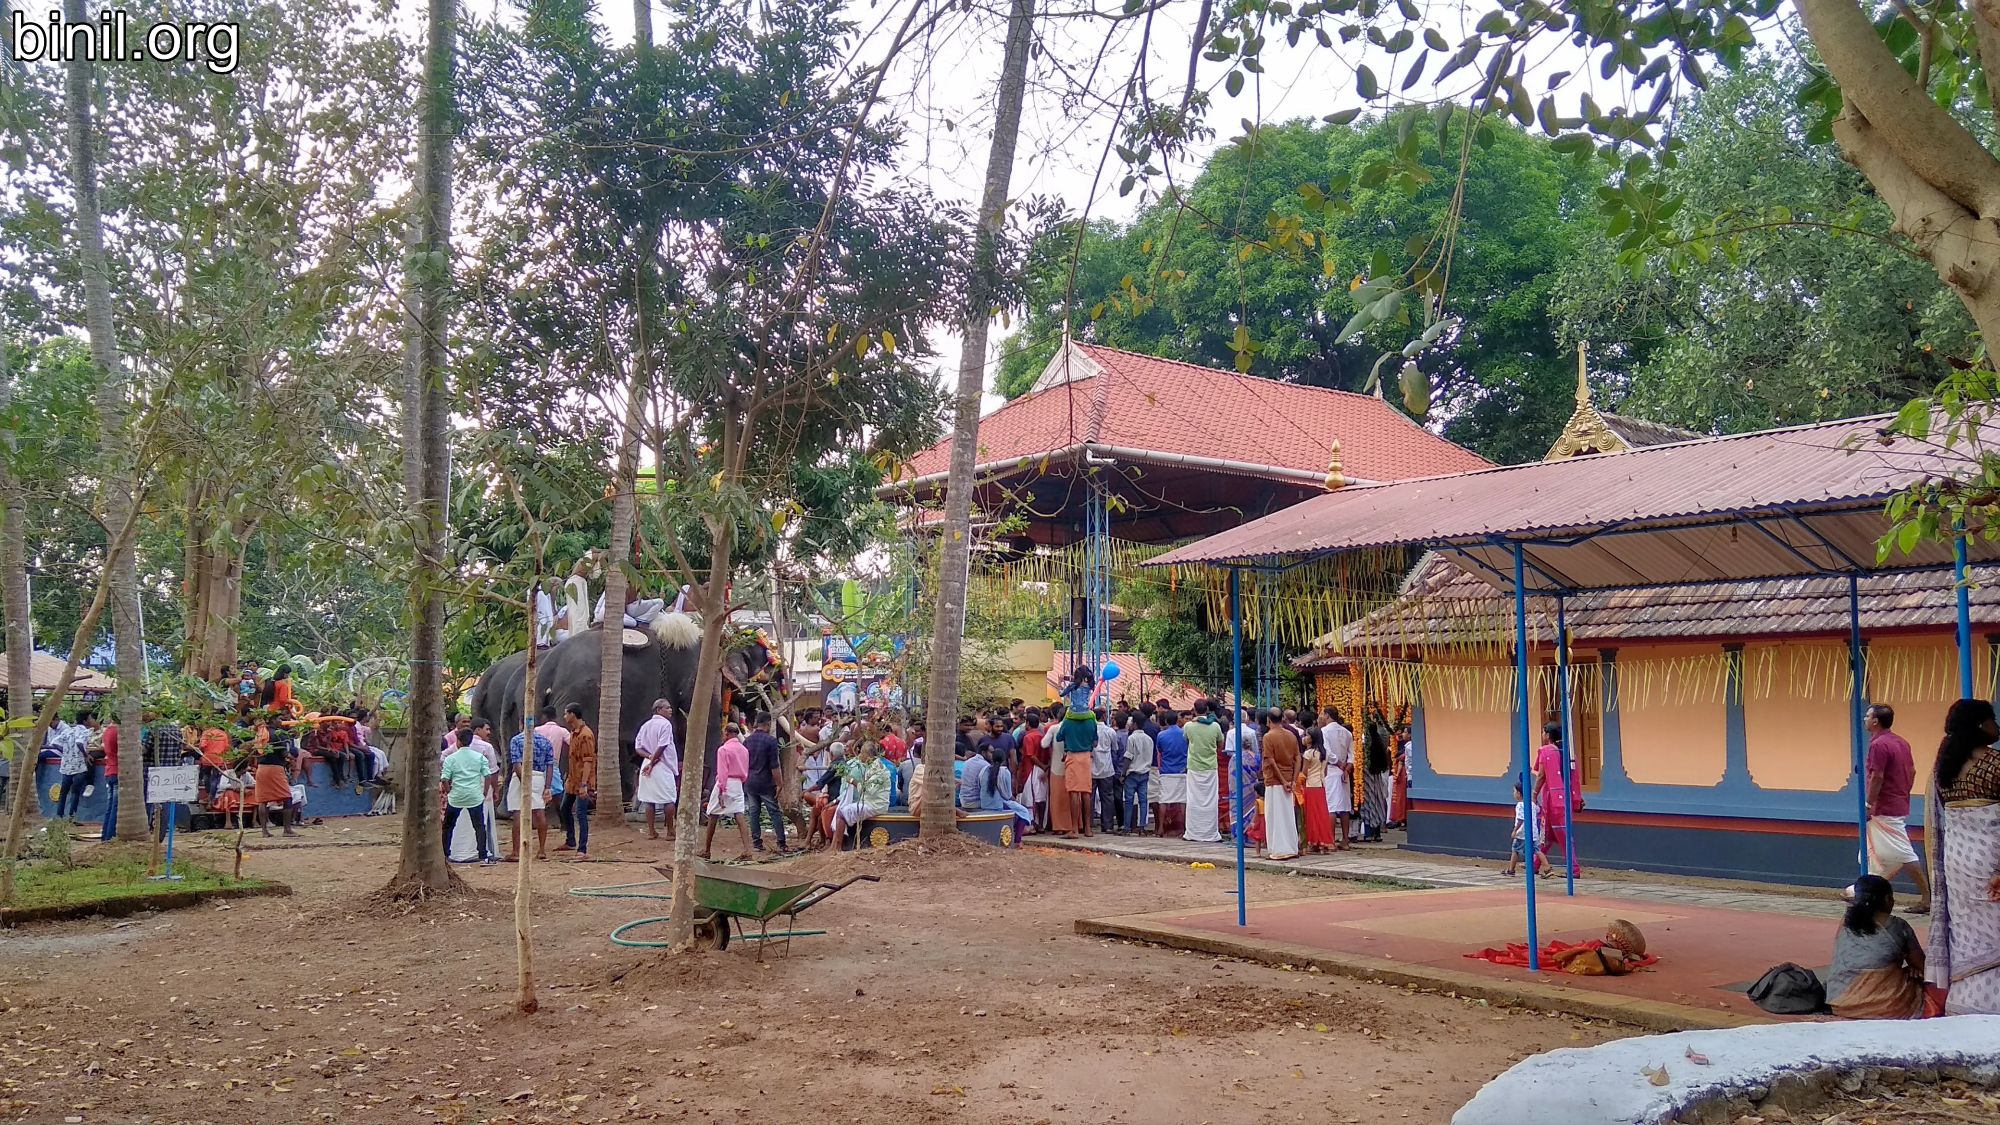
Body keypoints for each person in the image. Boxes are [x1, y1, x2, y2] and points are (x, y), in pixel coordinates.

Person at [1928, 697, 2000, 1015]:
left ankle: (1967, 1001)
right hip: (1992, 862)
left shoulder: (1944, 768)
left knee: (1968, 931)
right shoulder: (1995, 764)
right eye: (1992, 720)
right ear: (1979, 726)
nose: (1996, 727)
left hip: (1957, 863)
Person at [1821, 873, 1927, 1018]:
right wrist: (1913, 971)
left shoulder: (1845, 922)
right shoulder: (1898, 925)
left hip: (1839, 1004)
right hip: (1884, 1007)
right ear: (1887, 899)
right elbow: (1923, 967)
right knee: (1931, 986)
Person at [1863, 704, 1931, 911]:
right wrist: (1903, 791)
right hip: (1898, 802)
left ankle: (1927, 897)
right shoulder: (1901, 742)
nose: (1865, 719)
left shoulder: (1879, 745)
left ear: (1875, 721)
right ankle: (1868, 891)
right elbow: (1912, 772)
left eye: (1867, 716)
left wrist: (1868, 803)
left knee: (1902, 852)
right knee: (1878, 851)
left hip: (1884, 806)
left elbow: (1877, 776)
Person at [441, 729, 498, 865]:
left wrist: (449, 792)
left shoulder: (451, 758)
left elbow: (444, 779)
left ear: (458, 741)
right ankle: (483, 854)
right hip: (474, 796)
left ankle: (445, 853)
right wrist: (484, 792)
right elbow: (488, 775)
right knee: (479, 826)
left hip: (456, 796)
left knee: (448, 826)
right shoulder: (479, 758)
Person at [1531, 720, 1579, 874]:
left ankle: (1573, 869)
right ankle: (1535, 864)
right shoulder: (1568, 753)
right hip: (1565, 798)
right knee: (1547, 834)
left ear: (1547, 734)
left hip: (1553, 800)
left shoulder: (1546, 751)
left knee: (1562, 834)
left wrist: (1534, 794)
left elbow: (1541, 776)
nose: (1542, 734)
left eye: (1543, 732)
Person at [828, 740, 894, 848]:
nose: (860, 756)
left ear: (868, 755)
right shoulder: (871, 766)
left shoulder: (878, 769)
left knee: (843, 812)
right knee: (841, 810)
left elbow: (869, 790)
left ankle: (837, 847)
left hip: (876, 805)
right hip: (869, 802)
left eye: (862, 753)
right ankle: (834, 845)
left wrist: (853, 782)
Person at [701, 723, 753, 859]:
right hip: (738, 784)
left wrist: (721, 790)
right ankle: (748, 850)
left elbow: (723, 771)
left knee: (712, 813)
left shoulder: (723, 750)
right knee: (739, 814)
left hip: (725, 782)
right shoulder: (744, 749)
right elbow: (746, 771)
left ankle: (707, 850)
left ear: (727, 733)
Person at [506, 724, 556, 861]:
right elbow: (550, 765)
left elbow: (517, 764)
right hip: (539, 776)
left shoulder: (516, 740)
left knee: (518, 812)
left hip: (521, 777)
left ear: (521, 723)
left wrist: (524, 781)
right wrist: (547, 786)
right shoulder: (545, 741)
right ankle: (541, 850)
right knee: (539, 811)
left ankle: (516, 852)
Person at [743, 714, 789, 854]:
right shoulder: (771, 741)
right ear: (768, 724)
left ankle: (757, 843)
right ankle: (781, 842)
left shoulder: (747, 741)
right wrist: (780, 784)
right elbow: (774, 766)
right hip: (765, 782)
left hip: (750, 781)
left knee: (754, 812)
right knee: (774, 812)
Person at [634, 698, 679, 840]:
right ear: (659, 710)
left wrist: (649, 757)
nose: (670, 709)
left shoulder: (645, 725)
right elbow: (663, 745)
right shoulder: (665, 724)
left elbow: (638, 747)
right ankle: (670, 831)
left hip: (648, 763)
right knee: (669, 799)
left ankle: (652, 831)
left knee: (650, 799)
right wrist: (653, 761)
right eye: (667, 707)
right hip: (661, 765)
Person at [1259, 710, 1301, 861]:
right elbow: (1298, 758)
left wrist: (1283, 781)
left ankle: (1278, 850)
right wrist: (1293, 780)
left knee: (1274, 816)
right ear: (1282, 718)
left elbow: (1270, 760)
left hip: (1275, 781)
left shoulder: (1268, 736)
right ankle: (1291, 847)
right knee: (1288, 815)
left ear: (1269, 720)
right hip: (1289, 780)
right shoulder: (1291, 735)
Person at [559, 704, 598, 860]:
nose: (564, 717)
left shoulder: (585, 735)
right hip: (573, 780)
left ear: (573, 715)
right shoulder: (574, 733)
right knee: (565, 808)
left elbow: (588, 761)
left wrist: (584, 784)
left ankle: (582, 849)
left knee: (581, 814)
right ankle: (570, 841)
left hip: (583, 780)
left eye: (566, 714)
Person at [1183, 701, 1223, 843]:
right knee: (1211, 800)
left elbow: (1186, 740)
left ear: (1194, 710)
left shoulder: (1188, 726)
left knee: (1193, 800)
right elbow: (1220, 744)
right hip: (1211, 767)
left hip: (1194, 767)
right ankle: (1210, 831)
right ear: (1207, 710)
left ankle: (1193, 832)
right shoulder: (1215, 726)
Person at [1322, 707, 1354, 850]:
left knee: (1332, 806)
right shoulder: (1347, 732)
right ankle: (1345, 840)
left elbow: (1327, 752)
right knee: (1344, 807)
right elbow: (1352, 754)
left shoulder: (1324, 732)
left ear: (1327, 715)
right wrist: (1347, 767)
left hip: (1333, 769)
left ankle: (1331, 840)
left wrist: (1340, 764)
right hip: (1344, 772)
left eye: (1323, 714)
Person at [1153, 708, 1188, 837]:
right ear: (1177, 720)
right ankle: (1184, 828)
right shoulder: (1184, 734)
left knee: (1163, 800)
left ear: (1166, 721)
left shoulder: (1161, 735)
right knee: (1183, 801)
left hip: (1167, 771)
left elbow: (1160, 751)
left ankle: (1161, 828)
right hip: (1181, 770)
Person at [1301, 727, 1334, 854]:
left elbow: (1304, 772)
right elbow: (1324, 772)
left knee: (1311, 815)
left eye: (1307, 735)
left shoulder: (1309, 753)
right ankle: (1323, 842)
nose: (1305, 737)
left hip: (1310, 785)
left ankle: (1313, 841)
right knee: (1321, 814)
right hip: (1321, 785)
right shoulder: (1323, 753)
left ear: (1312, 738)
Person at [1503, 781, 1547, 878]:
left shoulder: (1520, 805)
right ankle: (1547, 868)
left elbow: (1520, 819)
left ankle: (1511, 870)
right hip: (1534, 833)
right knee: (1537, 850)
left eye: (1514, 792)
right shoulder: (1532, 804)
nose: (1514, 794)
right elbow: (1538, 810)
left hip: (1522, 833)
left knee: (1515, 849)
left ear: (1519, 793)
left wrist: (1515, 830)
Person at [52, 713, 91, 822]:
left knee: (63, 792)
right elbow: (79, 742)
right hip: (78, 765)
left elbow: (54, 742)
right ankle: (71, 817)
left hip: (66, 765)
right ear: (85, 721)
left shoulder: (68, 730)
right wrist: (85, 755)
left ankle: (59, 815)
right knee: (75, 792)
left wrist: (64, 751)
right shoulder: (85, 731)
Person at [1122, 712, 1153, 835]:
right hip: (1145, 772)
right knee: (1143, 800)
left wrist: (1123, 773)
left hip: (1132, 773)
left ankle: (1127, 827)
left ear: (1134, 724)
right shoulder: (1149, 739)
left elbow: (1128, 756)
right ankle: (1142, 827)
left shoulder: (1132, 738)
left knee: (1129, 801)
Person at [1091, 708, 1119, 834]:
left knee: (1089, 797)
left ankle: (1088, 823)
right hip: (1106, 768)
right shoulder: (1110, 731)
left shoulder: (1090, 730)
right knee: (1107, 797)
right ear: (1103, 716)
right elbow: (1115, 749)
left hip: (1091, 767)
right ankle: (1107, 825)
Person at [98, 715, 120, 842]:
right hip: (117, 771)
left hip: (109, 770)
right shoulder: (118, 732)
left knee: (110, 806)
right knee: (115, 807)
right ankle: (111, 836)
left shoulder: (107, 731)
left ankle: (105, 835)